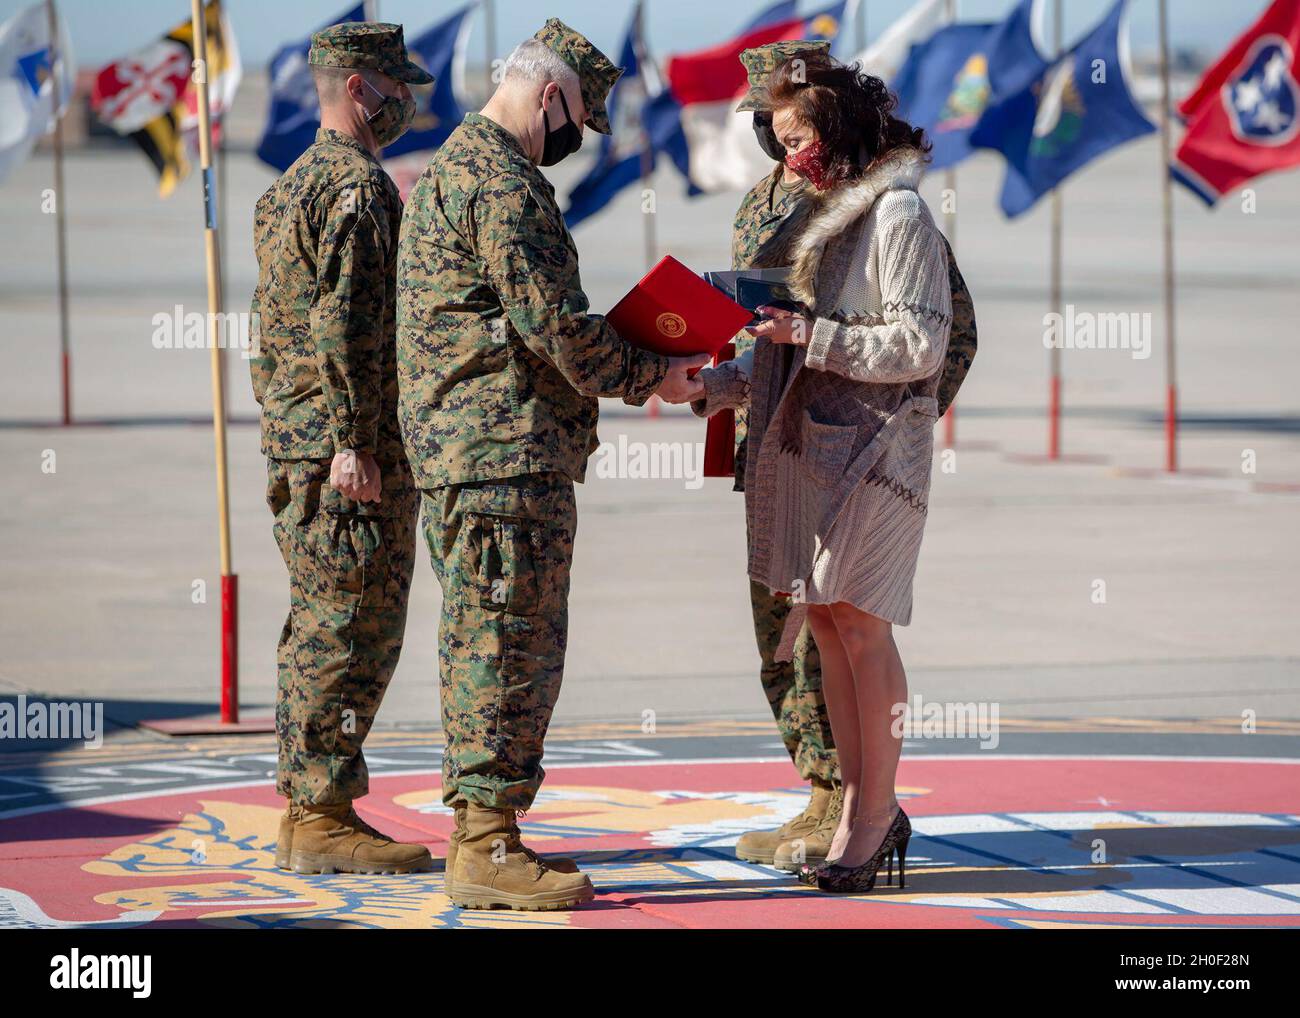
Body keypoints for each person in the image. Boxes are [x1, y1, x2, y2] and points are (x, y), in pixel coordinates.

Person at [397, 18, 707, 911]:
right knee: (507, 646)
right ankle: (487, 843)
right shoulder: (502, 184)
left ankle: (484, 830)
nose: (576, 141)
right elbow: (560, 331)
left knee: (479, 641)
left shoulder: (453, 166)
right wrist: (661, 375)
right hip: (504, 458)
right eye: (578, 120)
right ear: (550, 95)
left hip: (471, 457)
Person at [692, 54, 951, 893]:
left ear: (835, 131)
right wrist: (721, 384)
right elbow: (783, 341)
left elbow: (922, 343)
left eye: (800, 137)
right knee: (832, 628)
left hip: (879, 453)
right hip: (819, 444)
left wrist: (815, 340)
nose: (788, 153)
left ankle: (873, 816)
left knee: (865, 628)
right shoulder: (820, 217)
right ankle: (857, 805)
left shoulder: (899, 214)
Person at [250, 23, 434, 875]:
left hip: (298, 445)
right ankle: (320, 814)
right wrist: (356, 442)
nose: (408, 104)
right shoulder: (359, 190)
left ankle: (307, 809)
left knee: (317, 627)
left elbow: (272, 332)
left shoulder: (287, 188)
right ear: (359, 87)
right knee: (352, 628)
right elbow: (347, 326)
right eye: (397, 89)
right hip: (346, 455)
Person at [729, 40, 843, 874]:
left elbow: (951, 335)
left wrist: (880, 435)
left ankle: (850, 796)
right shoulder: (762, 199)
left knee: (827, 632)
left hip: (831, 457)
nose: (776, 136)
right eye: (765, 122)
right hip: (761, 447)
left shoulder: (860, 200)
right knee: (777, 635)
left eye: (788, 119)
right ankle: (817, 787)